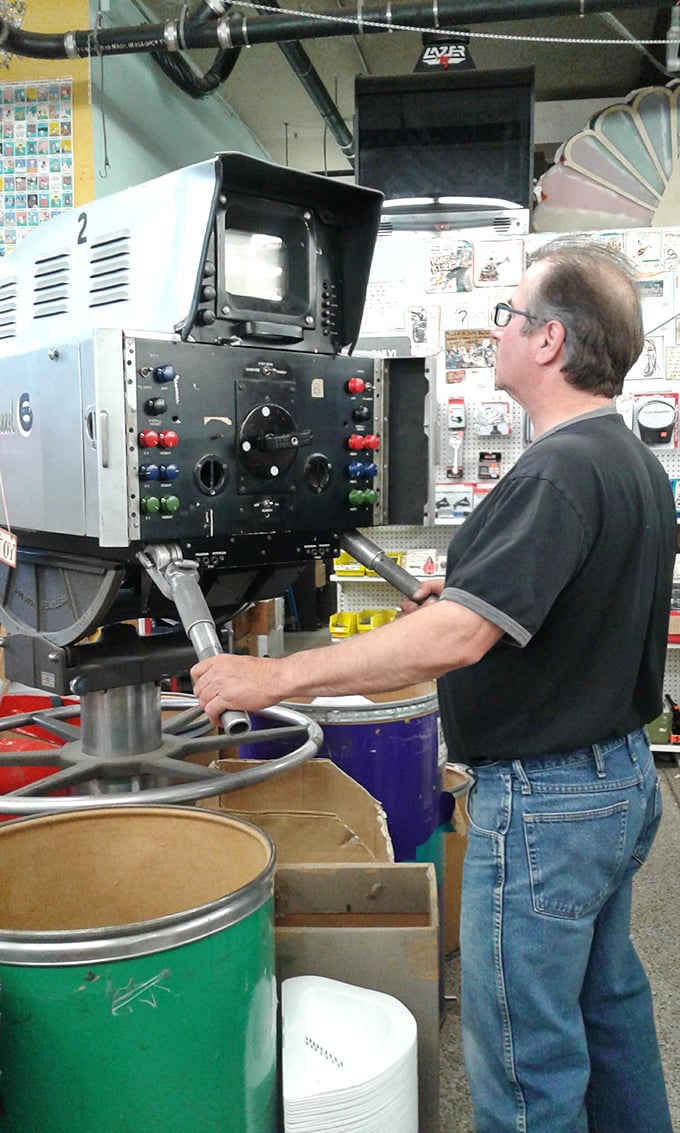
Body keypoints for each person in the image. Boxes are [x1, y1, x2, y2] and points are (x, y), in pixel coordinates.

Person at [192, 238, 675, 1132]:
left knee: (527, 1059)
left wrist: (276, 674)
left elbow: (451, 642)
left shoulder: (557, 470)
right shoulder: (625, 459)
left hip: (548, 807)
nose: (499, 332)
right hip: (616, 785)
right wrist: (471, 592)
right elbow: (567, 604)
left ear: (550, 342)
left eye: (512, 316)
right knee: (608, 1017)